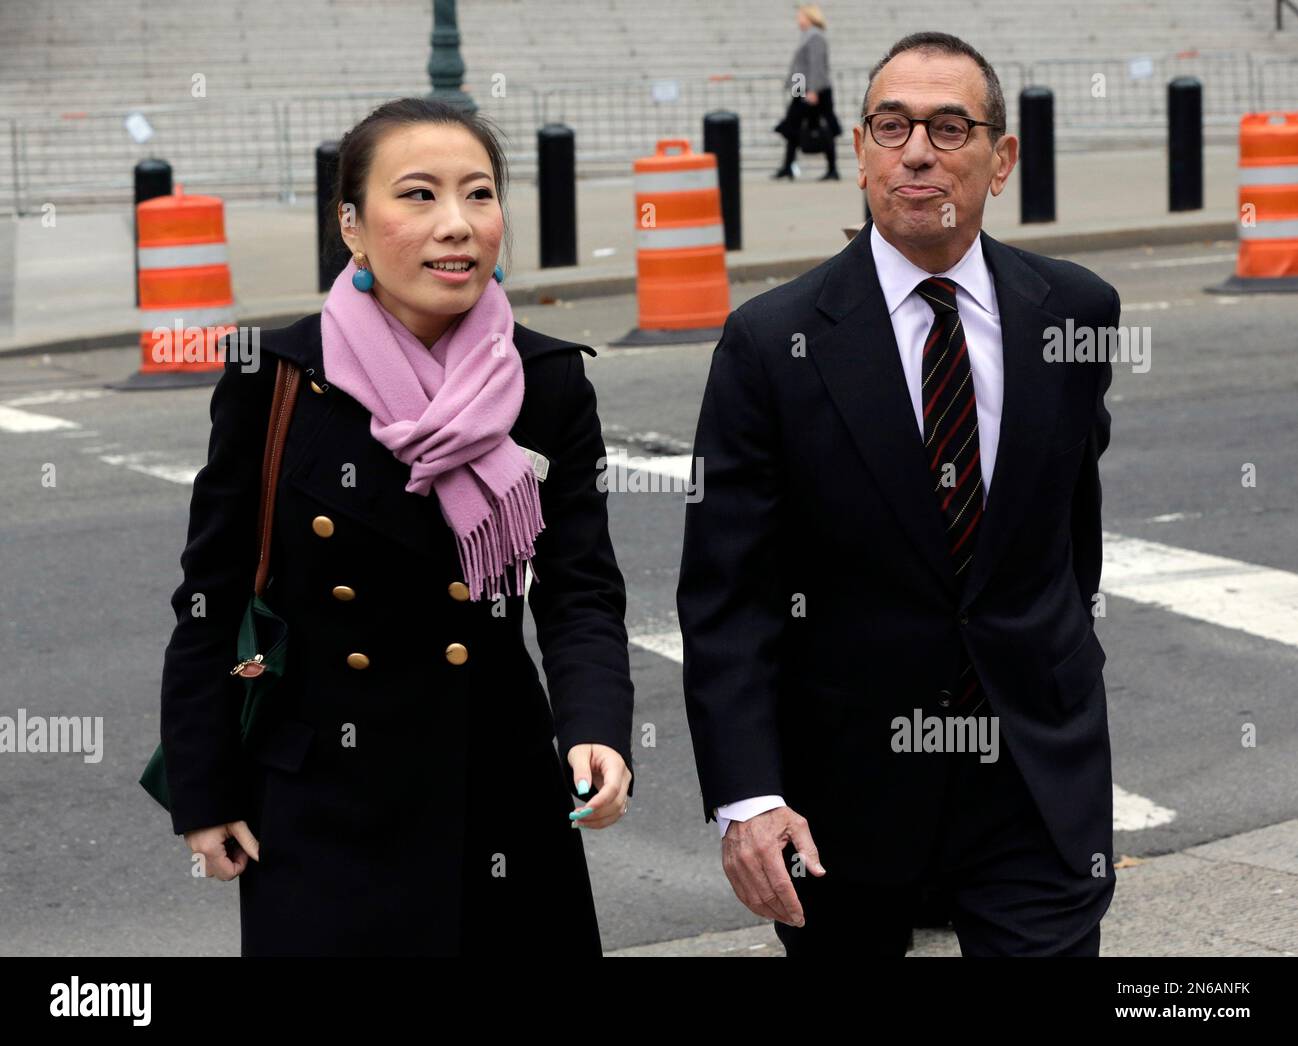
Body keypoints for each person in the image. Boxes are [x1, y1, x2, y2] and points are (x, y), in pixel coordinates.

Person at [157, 97, 635, 956]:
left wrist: (595, 725)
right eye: (418, 195)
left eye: (479, 195)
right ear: (352, 224)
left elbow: (580, 589)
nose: (457, 225)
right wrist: (205, 789)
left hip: (497, 792)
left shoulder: (547, 380)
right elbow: (212, 596)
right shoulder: (276, 378)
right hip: (321, 808)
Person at [678, 32, 1119, 957]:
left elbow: (1069, 528)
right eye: (891, 125)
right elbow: (729, 597)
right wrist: (749, 799)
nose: (917, 151)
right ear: (862, 152)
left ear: (1001, 160)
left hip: (1032, 786)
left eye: (949, 127)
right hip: (841, 804)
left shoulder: (1076, 312)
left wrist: (1069, 668)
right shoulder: (771, 342)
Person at [772, 4, 842, 180]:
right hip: (801, 86)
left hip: (813, 89)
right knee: (792, 126)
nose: (798, 19)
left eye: (801, 16)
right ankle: (787, 166)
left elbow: (816, 65)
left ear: (810, 17)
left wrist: (813, 90)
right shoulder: (807, 36)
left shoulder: (815, 36)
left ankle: (832, 168)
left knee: (823, 127)